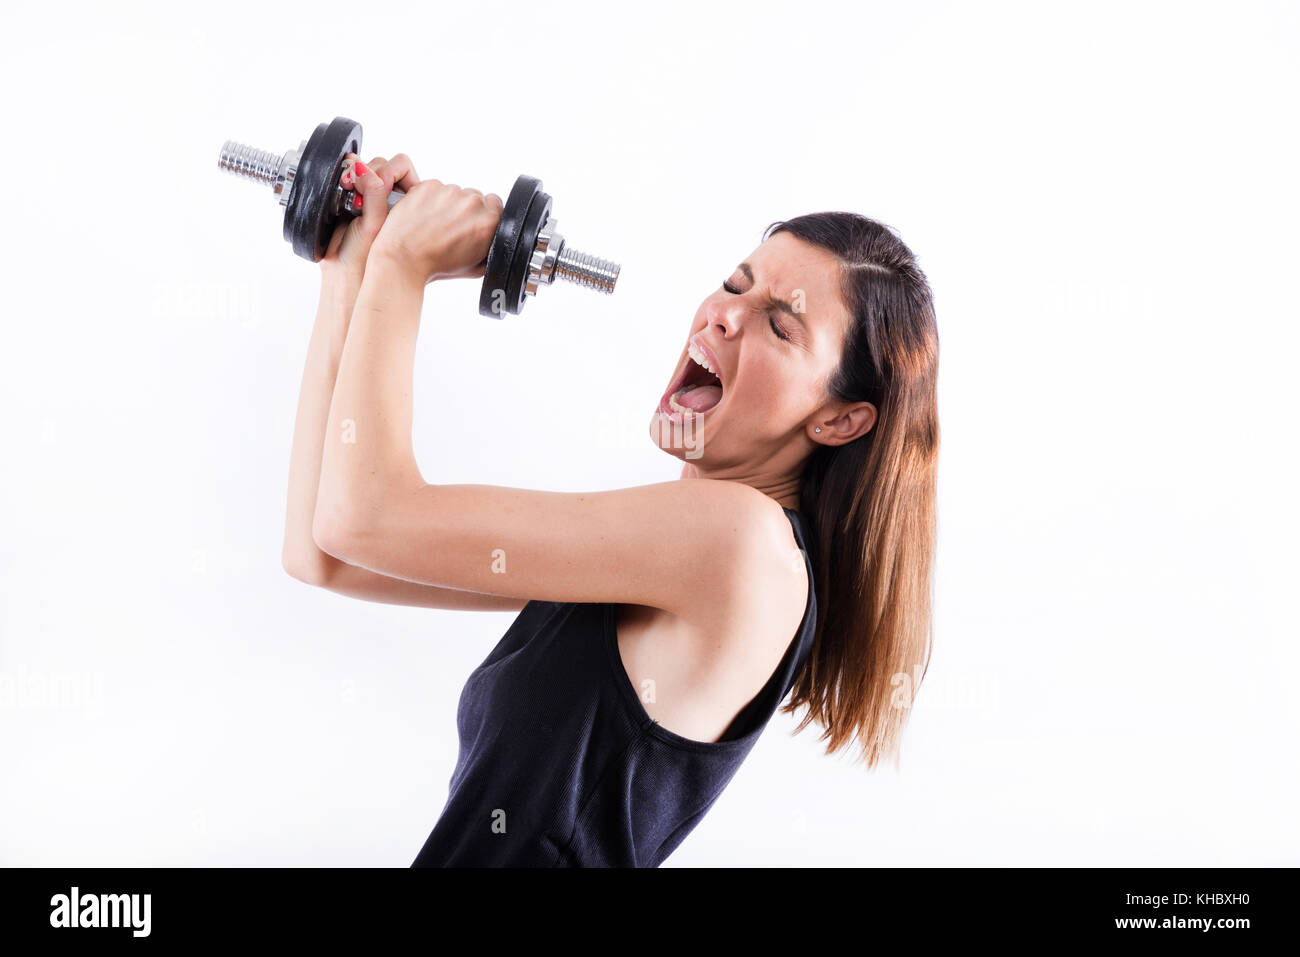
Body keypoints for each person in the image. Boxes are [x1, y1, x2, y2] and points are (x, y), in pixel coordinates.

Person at [281, 152, 940, 866]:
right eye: (734, 284)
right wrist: (352, 271)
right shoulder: (648, 561)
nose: (724, 315)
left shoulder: (744, 545)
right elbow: (325, 551)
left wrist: (404, 267)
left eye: (781, 326)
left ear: (839, 420)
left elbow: (364, 515)